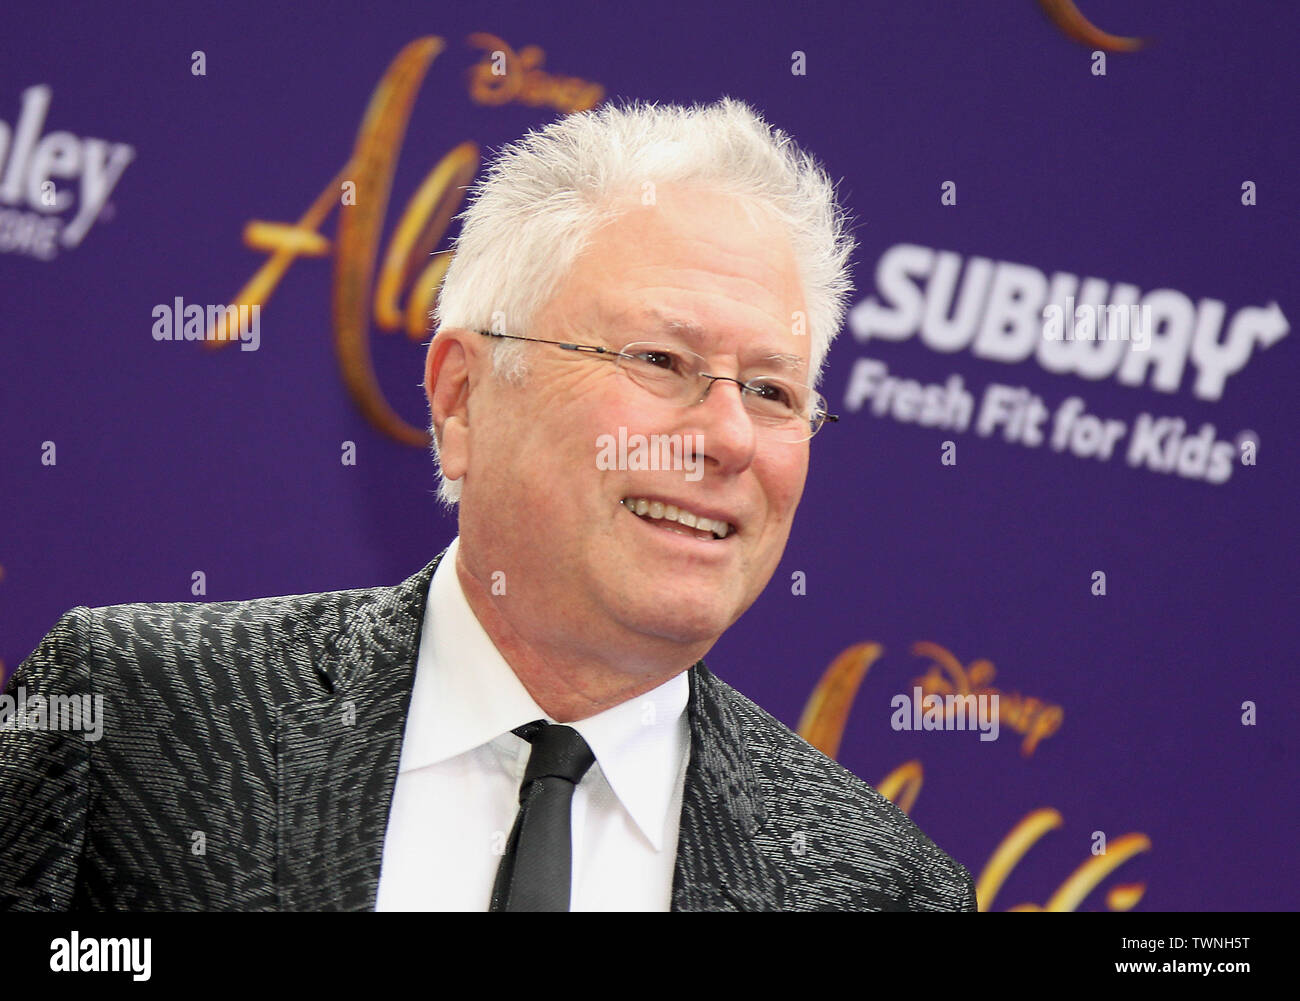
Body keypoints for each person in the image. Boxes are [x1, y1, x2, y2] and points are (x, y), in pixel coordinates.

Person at [0, 98, 975, 911]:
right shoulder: (132, 710)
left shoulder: (888, 889)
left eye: (771, 390)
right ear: (462, 395)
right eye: (660, 361)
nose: (725, 437)